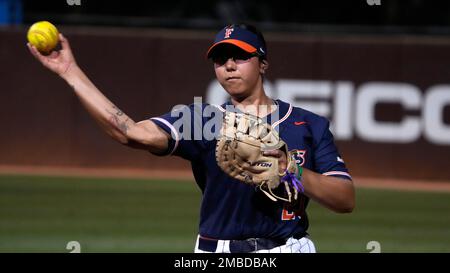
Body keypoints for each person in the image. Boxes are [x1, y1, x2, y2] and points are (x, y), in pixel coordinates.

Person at [27, 23, 355, 253]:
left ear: (263, 63)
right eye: (220, 59)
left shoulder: (308, 124)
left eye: (240, 57)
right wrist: (70, 72)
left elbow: (344, 200)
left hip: (290, 248)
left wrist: (289, 169)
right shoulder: (203, 120)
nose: (228, 66)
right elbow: (128, 132)